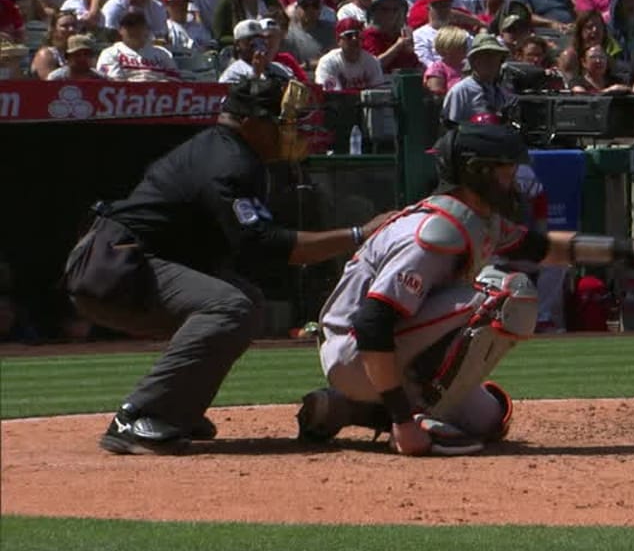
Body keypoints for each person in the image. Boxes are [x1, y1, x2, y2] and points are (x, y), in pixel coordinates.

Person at [294, 124, 634, 456]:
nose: (514, 182)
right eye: (505, 172)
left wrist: (633, 250)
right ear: (476, 172)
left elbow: (543, 249)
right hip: (357, 351)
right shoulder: (436, 232)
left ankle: (344, 408)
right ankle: (405, 415)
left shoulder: (474, 218)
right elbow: (372, 322)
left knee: (489, 421)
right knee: (506, 296)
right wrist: (404, 420)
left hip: (377, 354)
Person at [64, 76, 391, 455]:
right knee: (229, 306)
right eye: (281, 120)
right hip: (114, 266)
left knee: (245, 300)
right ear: (250, 121)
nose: (293, 129)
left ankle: (178, 409)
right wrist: (358, 234)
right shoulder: (230, 161)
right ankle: (138, 417)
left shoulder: (232, 152)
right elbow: (264, 245)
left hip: (128, 263)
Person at [442, 34, 514, 125]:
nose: (490, 61)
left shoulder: (502, 92)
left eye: (495, 56)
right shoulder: (462, 90)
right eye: (484, 56)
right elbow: (451, 127)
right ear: (473, 61)